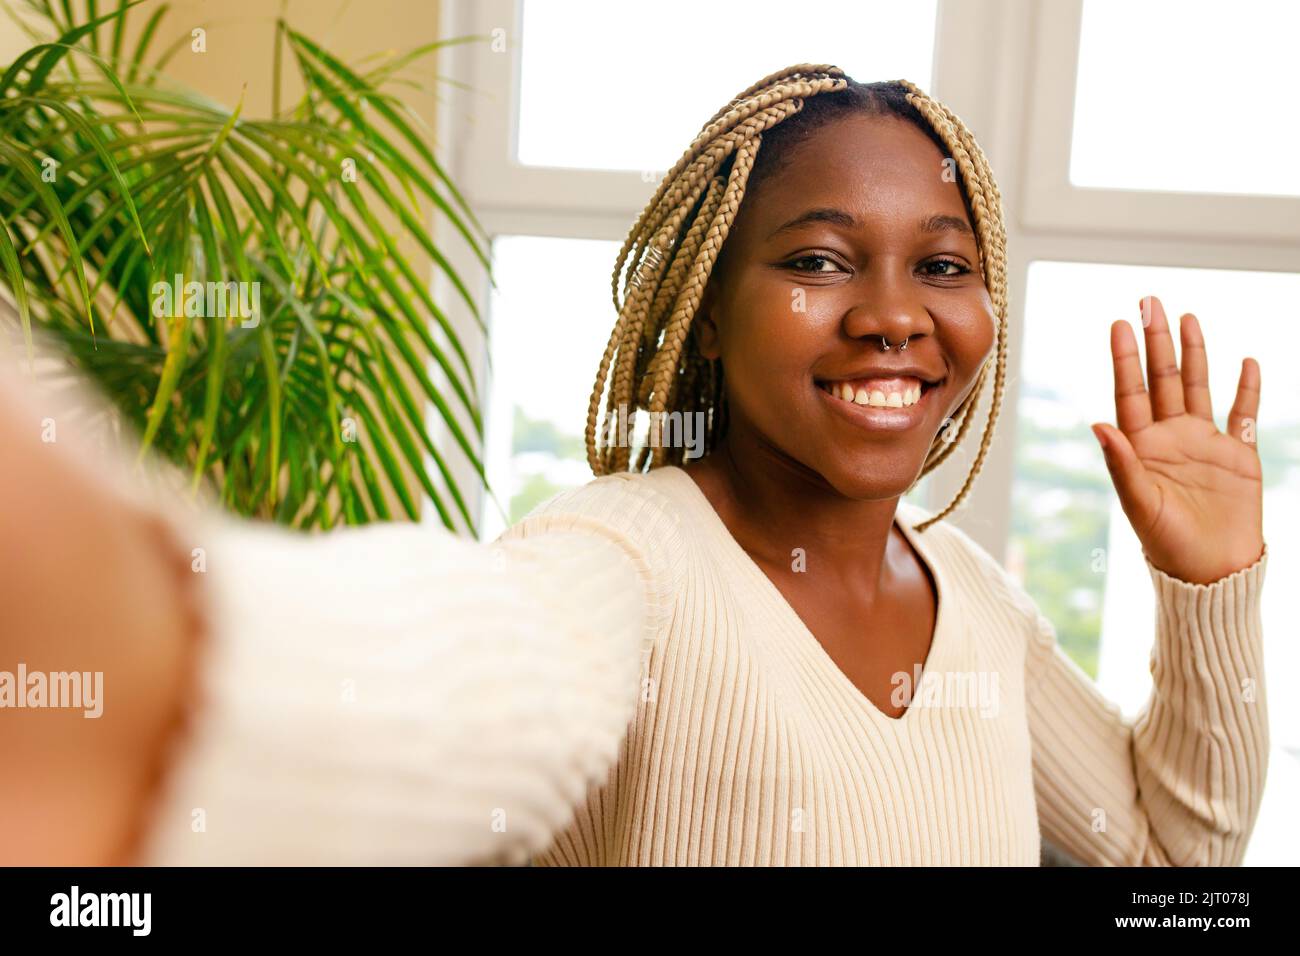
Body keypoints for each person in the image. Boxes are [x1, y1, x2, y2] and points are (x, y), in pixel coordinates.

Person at [0, 65, 1267, 867]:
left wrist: (1209, 588)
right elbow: (486, 668)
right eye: (819, 261)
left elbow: (1170, 856)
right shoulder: (623, 558)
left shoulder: (977, 600)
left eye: (940, 265)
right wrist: (160, 647)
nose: (892, 313)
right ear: (707, 310)